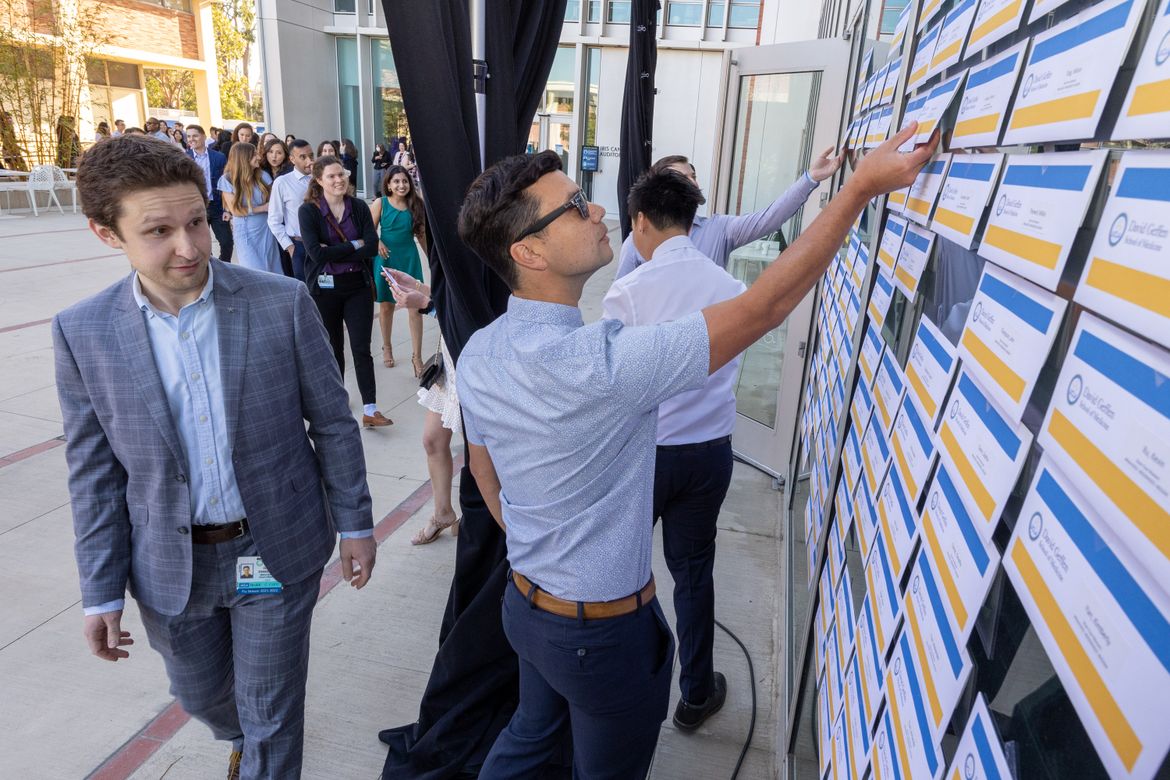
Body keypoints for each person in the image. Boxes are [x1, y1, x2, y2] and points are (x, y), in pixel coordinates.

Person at [454, 122, 935, 776]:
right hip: (598, 635)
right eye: (575, 205)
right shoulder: (604, 363)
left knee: (528, 739)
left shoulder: (482, 350)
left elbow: (481, 465)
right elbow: (765, 307)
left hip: (524, 604)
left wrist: (534, 535)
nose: (598, 209)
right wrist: (857, 191)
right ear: (529, 251)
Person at [53, 134, 377, 780]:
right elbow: (93, 476)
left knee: (273, 711)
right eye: (160, 231)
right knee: (201, 695)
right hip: (173, 569)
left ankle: (259, 747)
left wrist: (356, 523)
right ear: (105, 234)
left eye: (198, 221)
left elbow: (333, 423)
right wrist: (99, 592)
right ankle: (240, 735)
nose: (190, 246)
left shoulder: (279, 303)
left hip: (268, 555)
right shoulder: (82, 332)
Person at [601, 169, 742, 733]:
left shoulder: (629, 291)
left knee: (622, 576)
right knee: (694, 574)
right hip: (710, 455)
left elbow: (612, 387)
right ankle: (697, 693)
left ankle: (620, 693)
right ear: (690, 220)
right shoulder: (730, 289)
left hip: (646, 455)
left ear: (639, 220)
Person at [613, 147, 844, 280]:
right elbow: (620, 301)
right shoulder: (638, 239)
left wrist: (810, 178)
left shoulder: (720, 229)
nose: (692, 182)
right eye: (682, 178)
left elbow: (770, 217)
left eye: (693, 175)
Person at [298, 155, 392, 428]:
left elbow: (372, 246)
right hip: (324, 290)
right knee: (333, 348)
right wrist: (354, 245)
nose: (339, 180)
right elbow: (315, 255)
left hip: (357, 288)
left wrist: (335, 251)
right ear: (319, 180)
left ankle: (371, 410)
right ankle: (337, 403)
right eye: (331, 176)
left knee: (361, 349)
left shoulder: (359, 207)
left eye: (341, 174)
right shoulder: (309, 211)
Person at [382, 268, 463, 546]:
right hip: (452, 360)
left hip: (471, 358)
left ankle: (483, 517)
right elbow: (454, 297)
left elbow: (469, 313)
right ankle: (443, 512)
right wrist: (417, 286)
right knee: (432, 440)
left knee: (481, 453)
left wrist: (426, 305)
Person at [369, 165, 426, 375]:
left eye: (405, 181)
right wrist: (377, 242)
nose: (401, 185)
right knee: (386, 306)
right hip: (386, 258)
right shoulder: (381, 203)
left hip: (409, 258)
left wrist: (433, 262)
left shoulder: (415, 205)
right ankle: (387, 346)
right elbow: (368, 229)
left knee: (415, 308)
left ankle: (417, 357)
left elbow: (421, 236)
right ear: (389, 185)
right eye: (396, 181)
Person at [218, 142, 283, 275]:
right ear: (244, 158)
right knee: (255, 272)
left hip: (266, 230)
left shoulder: (263, 175)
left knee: (272, 270)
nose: (259, 157)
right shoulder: (227, 179)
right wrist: (262, 208)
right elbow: (235, 211)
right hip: (246, 233)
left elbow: (273, 201)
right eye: (254, 155)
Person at [185, 124, 233, 264]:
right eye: (188, 136)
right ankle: (210, 267)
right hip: (197, 208)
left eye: (195, 135)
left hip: (217, 206)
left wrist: (227, 209)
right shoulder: (185, 158)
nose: (191, 139)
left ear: (203, 136)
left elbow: (226, 184)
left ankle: (223, 266)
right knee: (202, 245)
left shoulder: (219, 157)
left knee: (226, 242)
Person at [268, 139, 313, 281]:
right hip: (299, 245)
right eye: (303, 157)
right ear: (292, 159)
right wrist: (290, 247)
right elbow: (274, 219)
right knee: (304, 291)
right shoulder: (282, 182)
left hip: (322, 244)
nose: (309, 161)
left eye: (311, 156)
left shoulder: (319, 178)